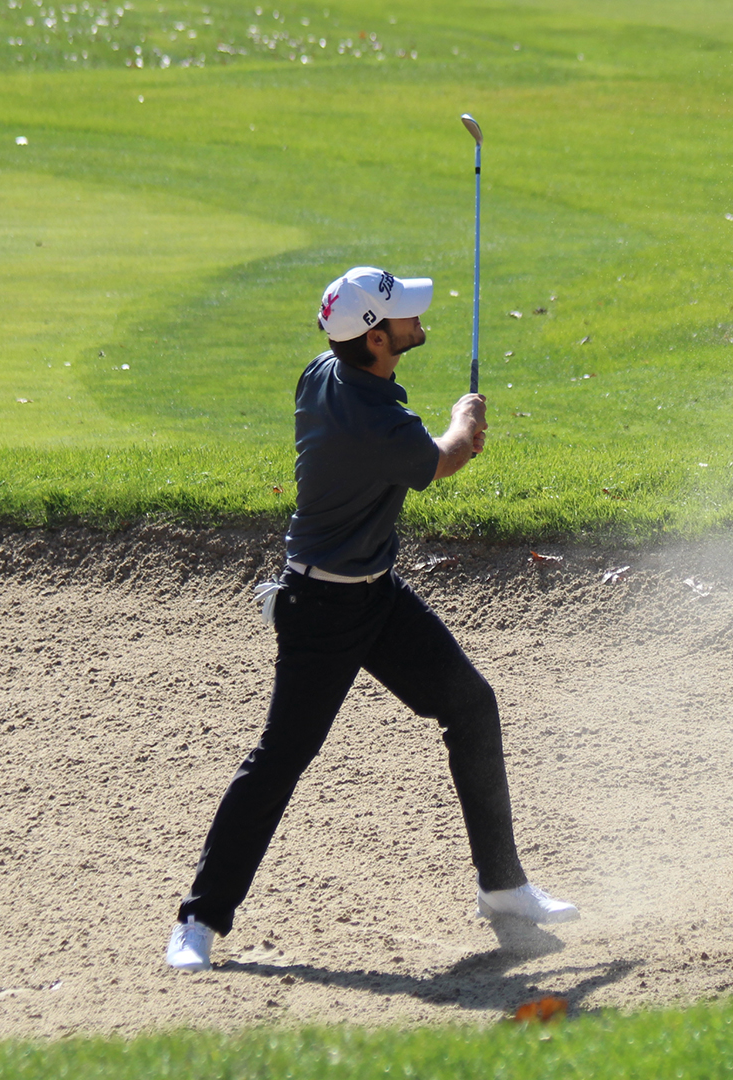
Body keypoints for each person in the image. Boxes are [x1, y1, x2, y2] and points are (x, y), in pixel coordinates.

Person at [165, 266, 578, 972]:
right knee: (281, 759)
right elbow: (443, 461)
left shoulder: (324, 372)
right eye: (405, 316)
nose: (419, 318)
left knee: (472, 707)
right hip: (321, 612)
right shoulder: (375, 419)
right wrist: (465, 424)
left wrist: (451, 433)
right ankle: (199, 921)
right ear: (377, 339)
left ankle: (503, 888)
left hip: (374, 596)